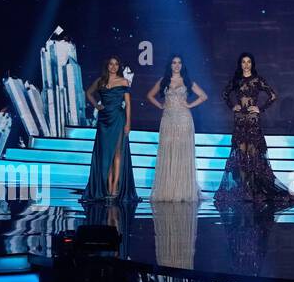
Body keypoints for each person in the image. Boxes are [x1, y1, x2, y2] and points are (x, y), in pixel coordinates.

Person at [215, 53, 294, 210]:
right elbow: (225, 94)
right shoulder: (236, 80)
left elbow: (273, 96)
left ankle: (253, 189)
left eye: (248, 62)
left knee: (253, 156)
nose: (246, 65)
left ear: (252, 64)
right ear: (240, 64)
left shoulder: (257, 80)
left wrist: (260, 108)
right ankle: (244, 190)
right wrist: (232, 106)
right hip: (240, 120)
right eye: (243, 62)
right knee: (240, 155)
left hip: (253, 121)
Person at [146, 54, 204, 202]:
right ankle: (169, 189)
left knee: (182, 154)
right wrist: (160, 105)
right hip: (168, 120)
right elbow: (150, 95)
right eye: (174, 62)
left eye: (179, 63)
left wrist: (190, 105)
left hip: (184, 120)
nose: (176, 65)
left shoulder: (187, 81)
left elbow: (203, 96)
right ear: (170, 65)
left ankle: (183, 189)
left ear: (182, 65)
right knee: (169, 153)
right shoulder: (163, 81)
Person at [83, 56, 138, 203]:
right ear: (107, 66)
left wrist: (128, 123)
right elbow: (88, 93)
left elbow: (128, 104)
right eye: (111, 64)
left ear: (119, 66)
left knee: (117, 152)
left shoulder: (123, 81)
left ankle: (114, 187)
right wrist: (97, 105)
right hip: (104, 120)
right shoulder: (100, 81)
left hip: (118, 119)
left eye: (116, 64)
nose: (113, 67)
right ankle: (107, 186)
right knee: (106, 154)